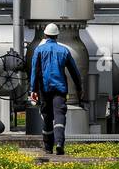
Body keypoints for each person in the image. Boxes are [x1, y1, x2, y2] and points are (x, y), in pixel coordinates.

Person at [29, 23, 84, 155]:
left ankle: (48, 148)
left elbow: (35, 72)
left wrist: (33, 90)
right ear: (57, 36)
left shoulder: (39, 50)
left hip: (45, 89)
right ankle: (59, 143)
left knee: (47, 116)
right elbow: (74, 71)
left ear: (45, 35)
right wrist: (79, 88)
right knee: (59, 115)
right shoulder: (64, 51)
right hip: (60, 89)